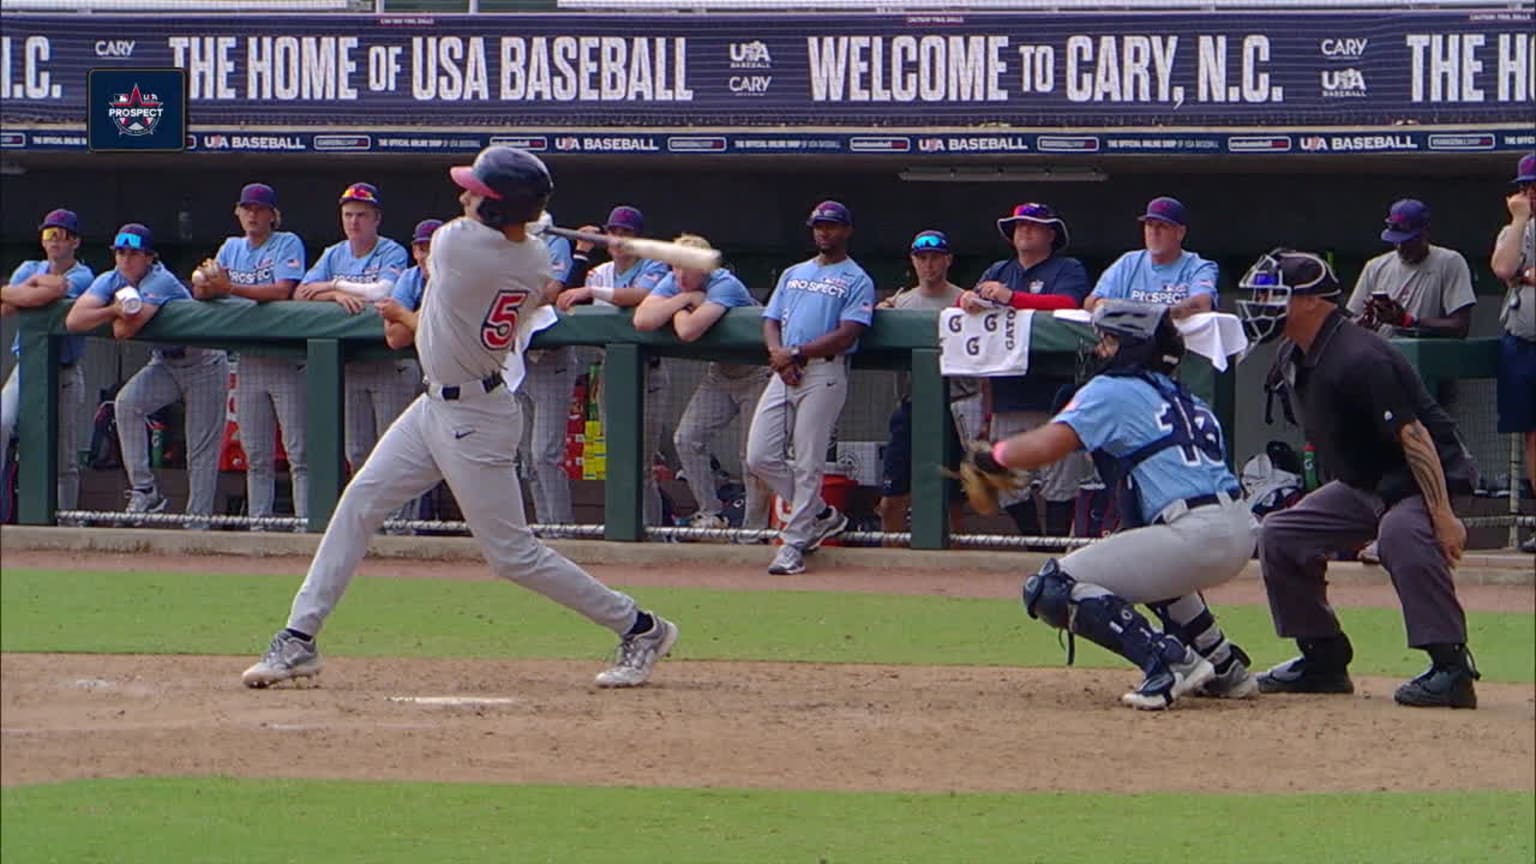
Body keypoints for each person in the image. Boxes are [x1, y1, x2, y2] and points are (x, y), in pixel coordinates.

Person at [241, 146, 678, 689]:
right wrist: (526, 223)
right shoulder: (534, 259)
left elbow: (459, 245)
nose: (464, 195)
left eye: (476, 191)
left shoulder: (460, 245)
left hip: (476, 417)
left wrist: (518, 221)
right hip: (435, 405)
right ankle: (299, 637)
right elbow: (448, 309)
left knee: (513, 556)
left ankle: (639, 626)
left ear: (497, 211)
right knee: (359, 502)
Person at [976, 300, 1256, 709]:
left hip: (1195, 532)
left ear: (1132, 348)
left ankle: (1170, 660)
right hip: (1237, 528)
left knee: (1050, 588)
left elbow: (1049, 444)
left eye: (1108, 341)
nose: (1099, 350)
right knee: (1147, 565)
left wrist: (992, 455)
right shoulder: (1188, 399)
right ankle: (1223, 663)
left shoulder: (1114, 389)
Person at [1236, 248, 1480, 708]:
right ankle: (1323, 658)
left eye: (1275, 296)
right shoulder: (1297, 352)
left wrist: (1444, 515)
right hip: (1365, 484)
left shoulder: (1361, 356)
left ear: (1311, 301)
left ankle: (1451, 669)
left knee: (1400, 535)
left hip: (1424, 479)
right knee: (1282, 533)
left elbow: (1415, 437)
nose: (1262, 305)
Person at [66, 224, 229, 524]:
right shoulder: (110, 278)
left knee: (200, 449)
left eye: (134, 253)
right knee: (127, 404)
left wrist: (114, 313)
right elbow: (75, 320)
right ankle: (145, 490)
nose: (126, 259)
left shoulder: (161, 279)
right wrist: (113, 309)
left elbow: (124, 330)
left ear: (150, 257)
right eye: (120, 252)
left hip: (203, 360)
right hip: (165, 361)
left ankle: (198, 522)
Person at [745, 200, 874, 575]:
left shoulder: (856, 278)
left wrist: (796, 353)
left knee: (807, 462)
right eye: (818, 225)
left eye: (831, 225)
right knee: (759, 456)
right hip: (784, 370)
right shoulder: (793, 272)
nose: (823, 231)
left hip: (823, 371)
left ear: (846, 230)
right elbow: (770, 318)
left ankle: (794, 543)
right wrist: (778, 354)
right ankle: (820, 514)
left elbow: (849, 332)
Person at [959, 203, 1092, 540]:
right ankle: (1035, 550)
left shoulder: (1067, 268)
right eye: (1019, 226)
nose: (1025, 231)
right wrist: (968, 301)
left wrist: (1011, 297)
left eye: (1034, 226)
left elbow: (1068, 303)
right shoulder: (998, 270)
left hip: (1056, 393)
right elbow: (966, 302)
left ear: (1051, 234)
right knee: (1009, 486)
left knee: (1060, 484)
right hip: (1009, 394)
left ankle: (1056, 548)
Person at [633, 234, 771, 533]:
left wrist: (675, 308)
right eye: (676, 268)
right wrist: (684, 299)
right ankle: (712, 514)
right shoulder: (676, 283)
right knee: (687, 439)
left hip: (758, 372)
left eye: (688, 269)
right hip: (721, 373)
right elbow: (642, 320)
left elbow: (688, 331)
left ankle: (754, 532)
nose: (680, 275)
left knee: (752, 458)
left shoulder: (725, 284)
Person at [192, 183, 309, 530]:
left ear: (273, 215)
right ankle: (260, 526)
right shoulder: (231, 247)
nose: (253, 214)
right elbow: (203, 290)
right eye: (247, 208)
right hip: (248, 361)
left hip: (286, 360)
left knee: (298, 453)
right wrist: (206, 285)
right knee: (255, 455)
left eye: (260, 209)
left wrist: (229, 288)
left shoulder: (287, 242)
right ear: (238, 212)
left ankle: (305, 526)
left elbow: (281, 290)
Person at [556, 206, 673, 526]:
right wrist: (581, 259)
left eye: (627, 233)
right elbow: (566, 300)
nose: (619, 239)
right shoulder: (600, 272)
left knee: (643, 462)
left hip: (649, 371)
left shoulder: (655, 265)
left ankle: (652, 530)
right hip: (612, 369)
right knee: (619, 458)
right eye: (615, 232)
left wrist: (592, 291)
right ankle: (626, 526)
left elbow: (641, 295)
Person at [297, 183, 414, 480]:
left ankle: (400, 527)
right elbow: (300, 293)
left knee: (394, 449)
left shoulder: (392, 250)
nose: (354, 221)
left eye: (361, 214)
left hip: (390, 363)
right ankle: (368, 523)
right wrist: (334, 296)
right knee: (357, 452)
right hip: (351, 364)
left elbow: (382, 291)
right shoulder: (334, 253)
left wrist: (334, 284)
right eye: (348, 214)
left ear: (376, 218)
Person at [875, 230, 978, 537]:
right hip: (911, 406)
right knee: (892, 499)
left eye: (935, 257)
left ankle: (955, 574)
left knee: (953, 503)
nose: (928, 265)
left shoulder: (966, 300)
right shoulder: (901, 303)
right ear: (913, 261)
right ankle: (889, 571)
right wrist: (880, 316)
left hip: (956, 407)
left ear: (948, 260)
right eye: (922, 258)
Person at [1, 209, 94, 522]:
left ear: (75, 241)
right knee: (1, 423)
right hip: (26, 368)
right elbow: (7, 305)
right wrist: (24, 290)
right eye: (48, 234)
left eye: (61, 234)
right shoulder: (30, 266)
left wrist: (31, 290)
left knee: (65, 457)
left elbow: (53, 292)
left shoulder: (84, 275)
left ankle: (66, 522)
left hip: (64, 372)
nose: (54, 241)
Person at [514, 219, 578, 527]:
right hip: (518, 361)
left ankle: (561, 531)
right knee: (527, 456)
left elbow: (550, 291)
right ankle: (544, 527)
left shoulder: (555, 242)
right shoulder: (504, 242)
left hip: (551, 361)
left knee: (544, 455)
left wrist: (513, 298)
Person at [1489, 153, 1536, 554]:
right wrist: (1520, 221)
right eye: (1523, 187)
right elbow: (1504, 270)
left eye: (1532, 187)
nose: (1526, 193)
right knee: (1532, 436)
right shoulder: (1515, 230)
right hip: (1523, 342)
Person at [1346, 199, 1476, 338]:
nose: (1401, 248)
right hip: (1382, 353)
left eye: (1408, 241)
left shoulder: (1449, 262)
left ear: (1425, 232)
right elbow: (1351, 322)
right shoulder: (1375, 266)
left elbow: (1460, 326)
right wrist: (1365, 323)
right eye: (1396, 241)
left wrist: (1407, 321)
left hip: (1427, 354)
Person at [1085, 197, 1217, 320]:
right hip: (1131, 341)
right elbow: (1091, 302)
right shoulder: (1128, 262)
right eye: (1149, 225)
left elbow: (1201, 304)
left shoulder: (1199, 267)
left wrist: (1153, 316)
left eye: (1162, 226)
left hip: (1181, 342)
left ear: (1180, 232)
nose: (1154, 232)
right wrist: (1118, 309)